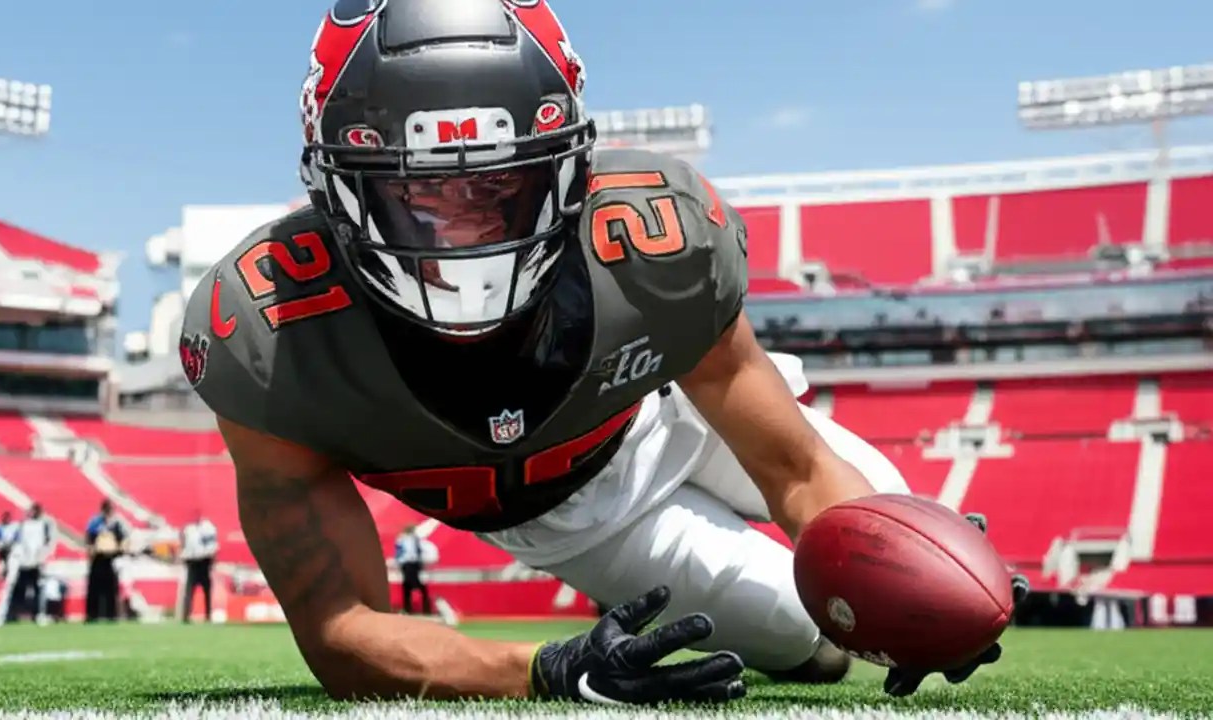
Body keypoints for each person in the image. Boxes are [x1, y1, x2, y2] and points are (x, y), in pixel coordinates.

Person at [181, 0, 1025, 705]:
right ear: (336, 185)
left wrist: (892, 560)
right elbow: (340, 632)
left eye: (496, 184)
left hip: (682, 406)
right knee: (809, 645)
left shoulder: (653, 240)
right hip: (589, 518)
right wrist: (546, 671)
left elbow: (797, 470)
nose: (466, 224)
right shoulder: (270, 334)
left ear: (567, 164)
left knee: (898, 565)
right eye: (419, 193)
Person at [5, 503, 54, 623]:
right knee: (19, 589)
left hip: (36, 562)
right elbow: (17, 540)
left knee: (36, 590)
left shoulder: (43, 525)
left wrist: (42, 556)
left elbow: (46, 542)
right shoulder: (23, 524)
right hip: (24, 561)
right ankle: (12, 613)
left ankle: (36, 614)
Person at [84, 500, 126, 622]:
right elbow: (89, 537)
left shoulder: (117, 524)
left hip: (111, 559)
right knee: (94, 589)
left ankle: (111, 614)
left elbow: (122, 540)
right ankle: (92, 615)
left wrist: (119, 549)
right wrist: (91, 549)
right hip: (98, 558)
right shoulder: (95, 522)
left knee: (111, 589)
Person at [179, 511, 219, 623]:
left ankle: (207, 615)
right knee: (190, 591)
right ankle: (186, 615)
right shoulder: (190, 529)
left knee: (204, 591)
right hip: (193, 562)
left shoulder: (207, 528)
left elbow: (211, 547)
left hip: (203, 562)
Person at [393, 525, 430, 615]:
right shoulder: (402, 539)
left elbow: (418, 550)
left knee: (414, 585)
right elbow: (399, 551)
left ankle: (424, 608)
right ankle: (409, 608)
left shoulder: (415, 539)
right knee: (408, 586)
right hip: (407, 563)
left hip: (414, 563)